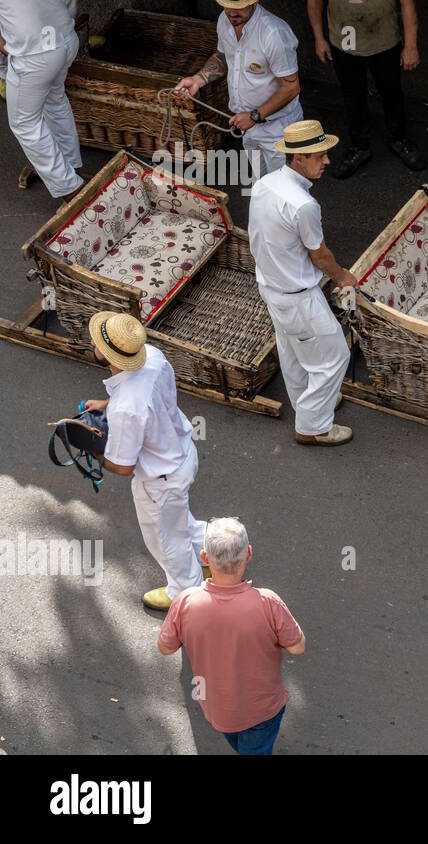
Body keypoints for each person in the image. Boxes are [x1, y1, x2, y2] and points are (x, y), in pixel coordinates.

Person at [80, 312, 206, 611]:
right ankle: (213, 554)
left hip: (160, 480)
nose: (92, 342)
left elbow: (122, 467)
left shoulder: (126, 408)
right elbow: (147, 398)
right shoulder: (153, 356)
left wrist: (91, 446)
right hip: (183, 452)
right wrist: (107, 404)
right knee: (180, 522)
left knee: (167, 539)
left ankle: (185, 592)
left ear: (107, 354)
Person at [248, 119, 357, 446]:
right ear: (298, 159)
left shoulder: (265, 184)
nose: (327, 161)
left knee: (294, 352)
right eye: (320, 156)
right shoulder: (305, 205)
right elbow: (320, 256)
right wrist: (344, 278)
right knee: (336, 356)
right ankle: (314, 426)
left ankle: (308, 404)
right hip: (297, 294)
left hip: (271, 285)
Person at [157, 517, 306, 755]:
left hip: (217, 708)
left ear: (205, 558)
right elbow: (298, 647)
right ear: (249, 553)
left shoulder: (185, 602)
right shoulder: (268, 603)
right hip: (262, 708)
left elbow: (165, 647)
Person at [303, 0, 425, 178]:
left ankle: (399, 139)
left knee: (391, 93)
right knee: (352, 96)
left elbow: (407, 4)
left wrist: (410, 45)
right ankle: (359, 147)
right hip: (343, 42)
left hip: (384, 41)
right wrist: (319, 38)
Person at [174, 0, 302, 177]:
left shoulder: (274, 34)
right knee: (261, 185)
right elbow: (224, 57)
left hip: (278, 128)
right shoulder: (224, 21)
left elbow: (291, 87)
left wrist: (255, 115)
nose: (232, 13)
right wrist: (198, 79)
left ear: (253, 0)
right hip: (249, 125)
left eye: (240, 6)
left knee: (285, 191)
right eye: (227, 5)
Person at [0, 0, 81, 198]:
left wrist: (9, 49)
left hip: (35, 52)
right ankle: (71, 167)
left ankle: (71, 188)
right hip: (66, 38)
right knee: (55, 99)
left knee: (24, 123)